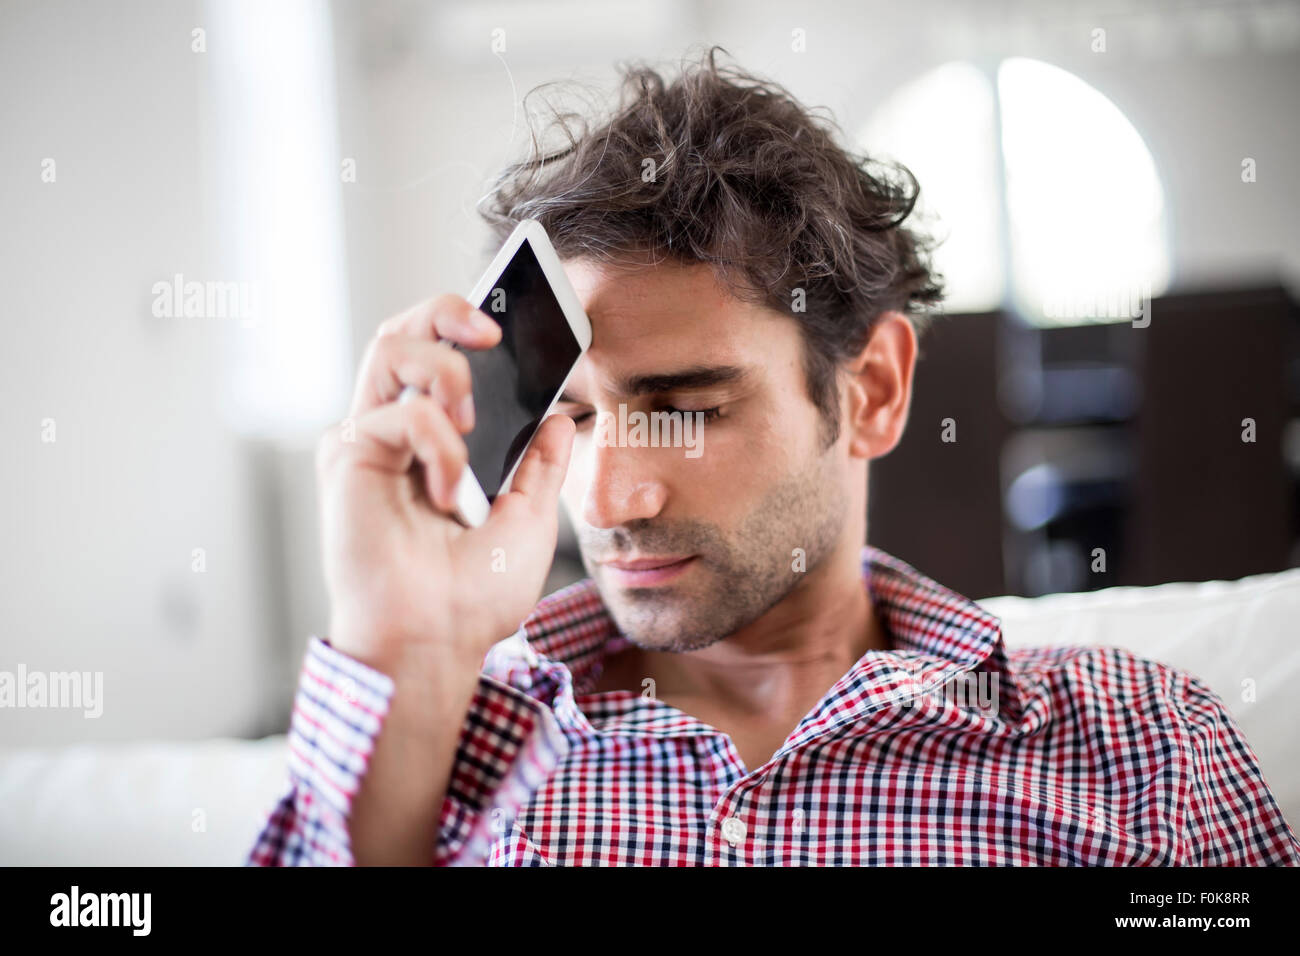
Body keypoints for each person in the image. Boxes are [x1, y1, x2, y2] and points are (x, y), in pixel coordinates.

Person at [247, 47, 1299, 866]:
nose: (608, 495)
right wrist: (408, 654)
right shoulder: (445, 748)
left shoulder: (1133, 744)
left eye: (688, 406)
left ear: (873, 388)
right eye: (570, 418)